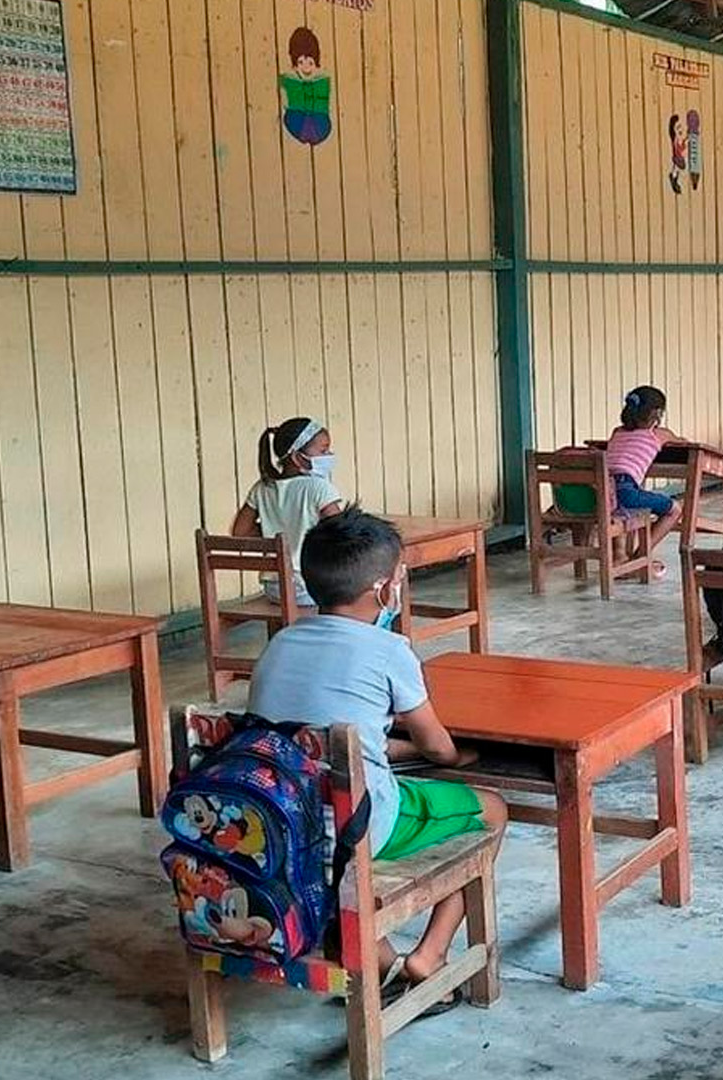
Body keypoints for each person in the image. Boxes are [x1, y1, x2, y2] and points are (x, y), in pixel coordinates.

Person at [246, 509, 506, 1013]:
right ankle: (429, 956)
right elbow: (437, 747)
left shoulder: (280, 643)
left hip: (279, 822)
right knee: (491, 809)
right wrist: (458, 755)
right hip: (356, 828)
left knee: (356, 819)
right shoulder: (389, 650)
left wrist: (395, 751)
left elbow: (327, 739)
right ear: (384, 590)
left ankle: (380, 960)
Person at [230, 416, 346, 608]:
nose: (329, 455)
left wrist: (276, 530)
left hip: (273, 589)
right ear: (297, 457)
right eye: (323, 451)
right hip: (310, 588)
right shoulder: (318, 488)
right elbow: (342, 533)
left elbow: (240, 532)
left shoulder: (262, 488)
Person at [603, 386, 685, 579]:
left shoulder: (617, 432)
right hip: (626, 491)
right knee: (674, 509)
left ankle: (619, 556)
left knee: (619, 505)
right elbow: (683, 443)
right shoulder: (659, 434)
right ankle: (640, 557)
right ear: (657, 414)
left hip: (605, 491)